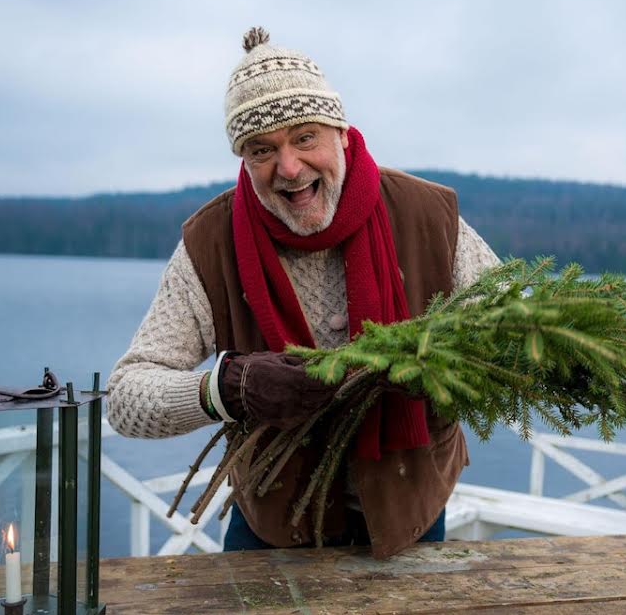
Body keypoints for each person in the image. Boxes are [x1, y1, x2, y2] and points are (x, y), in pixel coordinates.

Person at [106, 27, 500, 559]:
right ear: (242, 158)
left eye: (305, 137)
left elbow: (514, 334)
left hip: (411, 513)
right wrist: (227, 388)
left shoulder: (426, 216)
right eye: (262, 149)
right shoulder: (211, 242)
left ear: (339, 130)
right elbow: (125, 399)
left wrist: (440, 371)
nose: (288, 168)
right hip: (271, 524)